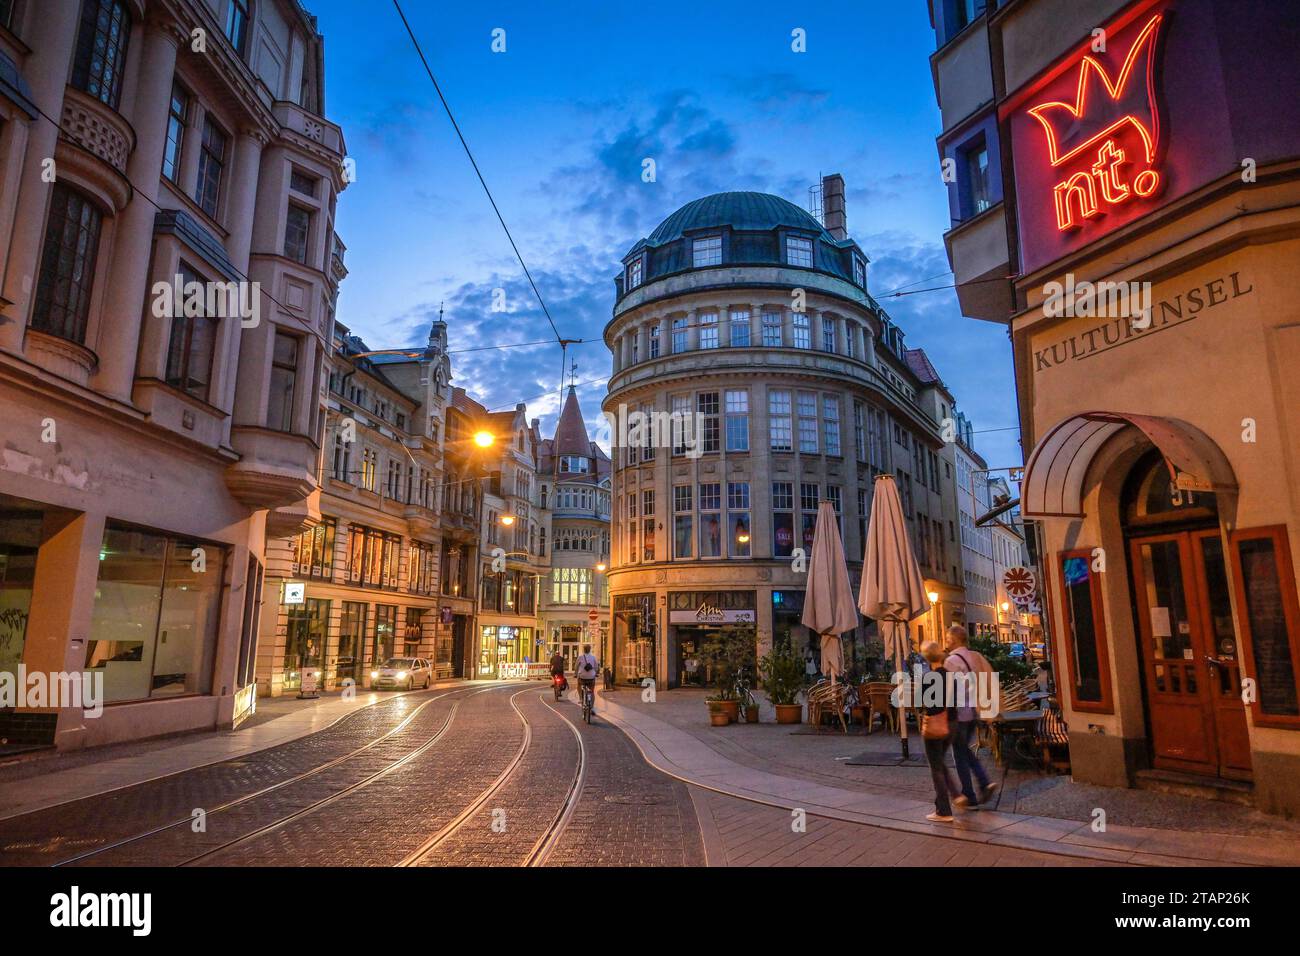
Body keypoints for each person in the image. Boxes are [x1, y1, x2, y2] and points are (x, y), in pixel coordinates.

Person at [943, 625, 997, 808]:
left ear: (954, 639)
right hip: (973, 711)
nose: (946, 641)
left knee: (959, 754)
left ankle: (970, 794)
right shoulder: (973, 657)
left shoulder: (950, 661)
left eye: (947, 638)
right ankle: (984, 782)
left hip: (958, 714)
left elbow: (948, 690)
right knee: (964, 750)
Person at [919, 641, 957, 822]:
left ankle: (944, 810)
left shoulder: (928, 678)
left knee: (936, 767)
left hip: (935, 726)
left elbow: (922, 704)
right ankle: (955, 796)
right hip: (952, 724)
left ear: (927, 658)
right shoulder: (951, 676)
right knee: (940, 763)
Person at [575, 644, 600, 711]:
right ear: (590, 650)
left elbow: (576, 666)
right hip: (591, 677)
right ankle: (592, 707)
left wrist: (575, 674)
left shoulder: (580, 657)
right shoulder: (593, 657)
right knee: (592, 691)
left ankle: (580, 698)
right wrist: (596, 673)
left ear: (584, 649)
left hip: (582, 677)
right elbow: (596, 667)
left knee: (578, 685)